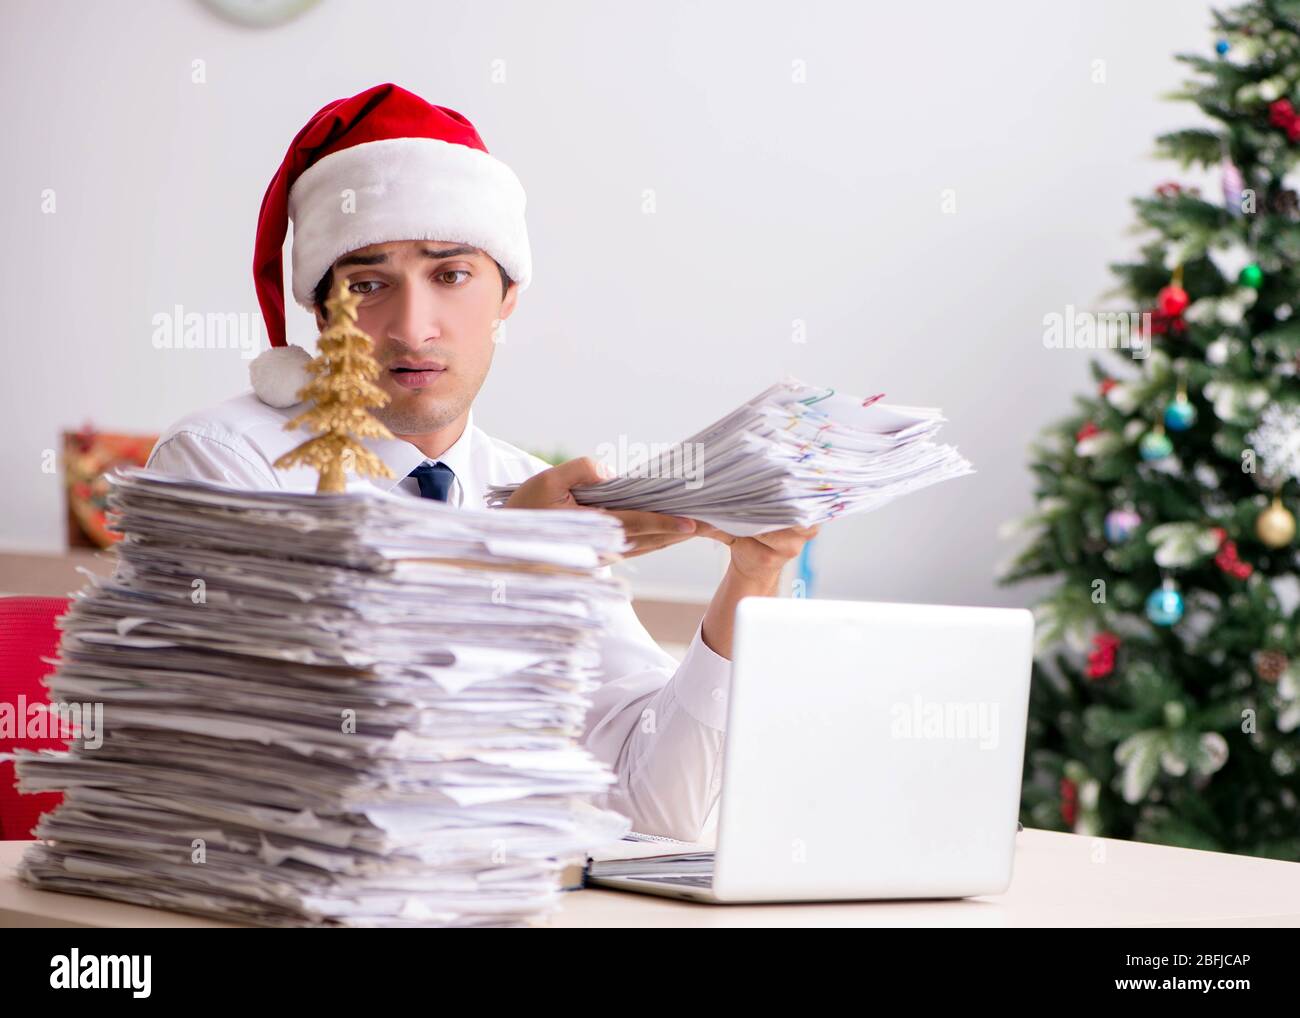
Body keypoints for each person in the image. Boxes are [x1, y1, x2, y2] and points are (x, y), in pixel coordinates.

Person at [146, 83, 817, 841]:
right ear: (319, 312)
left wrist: (751, 581)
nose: (412, 327)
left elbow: (655, 808)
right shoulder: (224, 465)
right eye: (368, 284)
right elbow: (282, 769)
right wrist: (497, 567)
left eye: (452, 274)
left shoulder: (531, 495)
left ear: (508, 298)